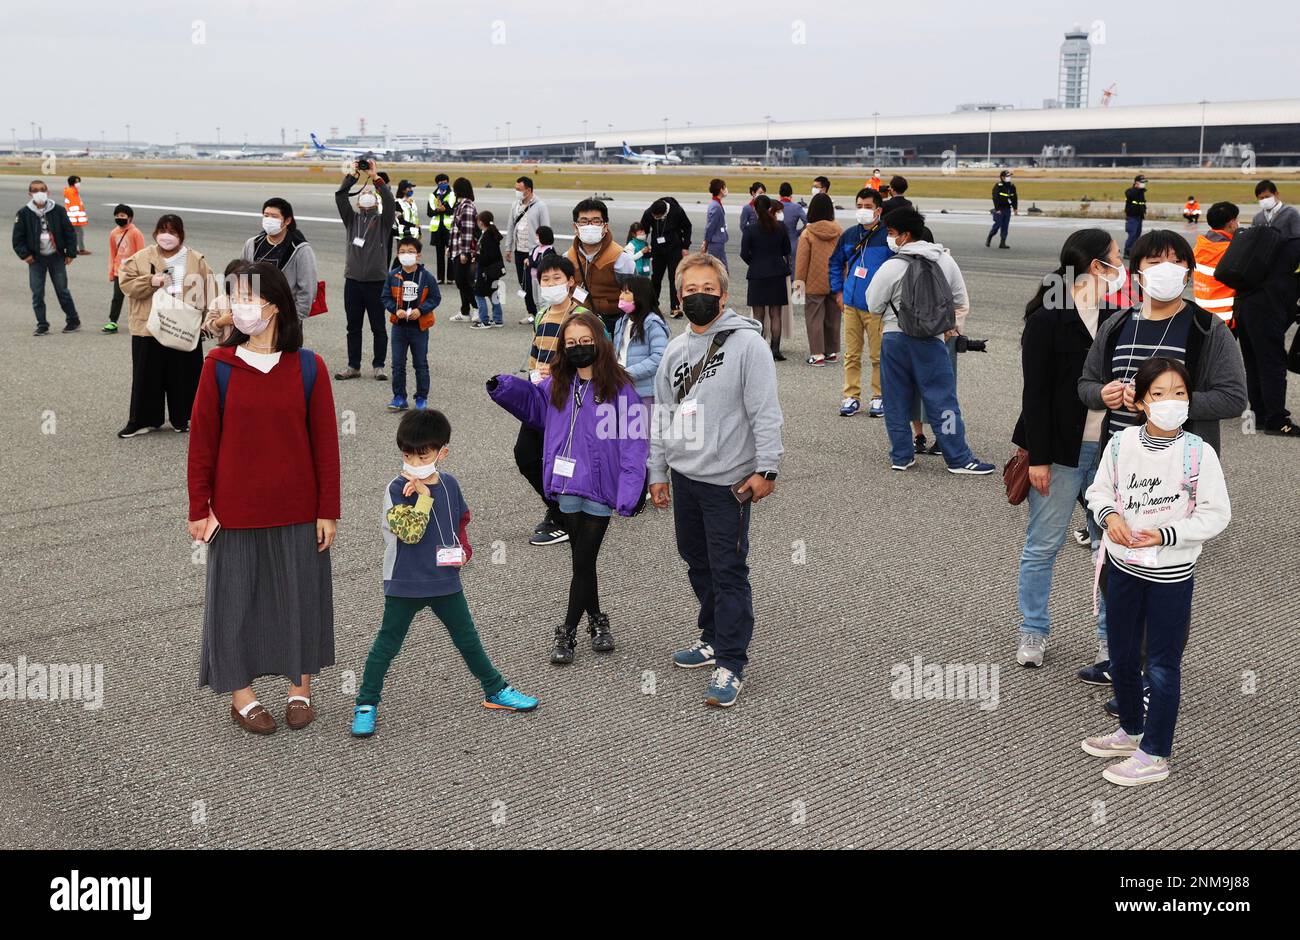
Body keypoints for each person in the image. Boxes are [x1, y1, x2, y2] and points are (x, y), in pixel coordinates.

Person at [187, 262, 339, 734]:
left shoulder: (309, 367)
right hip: (235, 513)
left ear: (274, 306)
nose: (238, 307)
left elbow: (326, 445)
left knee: (300, 599)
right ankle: (242, 696)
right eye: (234, 298)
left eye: (247, 298)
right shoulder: (219, 367)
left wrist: (328, 509)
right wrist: (199, 508)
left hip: (298, 509)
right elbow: (202, 444)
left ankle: (300, 688)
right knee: (234, 605)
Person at [1081, 357, 1230, 787]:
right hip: (1122, 567)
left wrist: (1164, 535)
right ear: (1142, 403)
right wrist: (1110, 517)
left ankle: (1156, 753)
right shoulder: (1121, 443)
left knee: (1162, 665)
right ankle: (1131, 730)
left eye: (1179, 394)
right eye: (1159, 394)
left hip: (1170, 576)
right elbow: (1099, 489)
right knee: (1123, 655)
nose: (1171, 402)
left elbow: (1216, 515)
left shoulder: (1197, 452)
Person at [350, 409, 539, 737]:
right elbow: (409, 533)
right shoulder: (397, 489)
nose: (414, 461)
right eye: (407, 454)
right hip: (405, 581)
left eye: (422, 454)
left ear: (442, 453)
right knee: (387, 644)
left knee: (467, 638)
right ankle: (366, 702)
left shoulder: (450, 483)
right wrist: (424, 499)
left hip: (445, 579)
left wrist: (464, 549)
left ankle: (495, 690)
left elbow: (460, 517)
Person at [648, 253, 783, 708]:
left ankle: (731, 659)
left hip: (729, 482)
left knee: (728, 570)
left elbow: (765, 411)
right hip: (685, 477)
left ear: (724, 295)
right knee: (696, 561)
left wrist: (767, 468)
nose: (699, 297)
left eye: (708, 290)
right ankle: (711, 636)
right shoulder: (673, 350)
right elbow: (663, 416)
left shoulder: (748, 347)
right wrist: (658, 471)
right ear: (679, 297)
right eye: (690, 291)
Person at [488, 311, 649, 664]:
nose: (579, 349)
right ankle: (597, 621)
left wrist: (631, 489)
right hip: (566, 486)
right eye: (571, 343)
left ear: (600, 343)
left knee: (582, 560)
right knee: (583, 560)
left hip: (601, 488)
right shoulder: (557, 383)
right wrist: (504, 386)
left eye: (585, 342)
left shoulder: (620, 387)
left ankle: (567, 632)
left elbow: (636, 442)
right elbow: (534, 406)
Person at [1012, 229, 1124, 670]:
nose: (1123, 266)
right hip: (1060, 451)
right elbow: (1034, 394)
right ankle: (1033, 629)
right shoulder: (1048, 317)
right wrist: (1037, 457)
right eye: (1118, 258)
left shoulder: (1120, 314)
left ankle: (1108, 639)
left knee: (1109, 548)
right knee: (1043, 545)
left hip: (1111, 452)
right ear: (1097, 266)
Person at [1079, 230, 1247, 457]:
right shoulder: (1115, 325)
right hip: (1119, 461)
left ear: (1187, 274)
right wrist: (1102, 394)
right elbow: (1086, 384)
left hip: (1182, 468)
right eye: (1156, 262)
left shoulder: (1209, 329)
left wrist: (1165, 400)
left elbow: (1234, 399)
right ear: (1137, 275)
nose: (1167, 268)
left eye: (1177, 261)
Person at [867, 208, 994, 474]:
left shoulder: (892, 265)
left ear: (905, 234)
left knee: (895, 399)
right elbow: (959, 299)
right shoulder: (945, 261)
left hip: (895, 338)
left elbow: (873, 303)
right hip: (931, 340)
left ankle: (901, 455)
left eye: (891, 233)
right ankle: (958, 457)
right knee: (943, 400)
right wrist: (947, 328)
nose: (889, 239)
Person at [116, 214, 222, 437]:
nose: (167, 236)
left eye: (173, 232)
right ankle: (144, 420)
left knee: (184, 373)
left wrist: (208, 322)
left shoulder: (196, 259)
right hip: (150, 326)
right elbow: (125, 283)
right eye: (163, 231)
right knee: (147, 374)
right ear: (155, 233)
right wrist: (150, 281)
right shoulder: (141, 258)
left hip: (184, 326)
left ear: (181, 235)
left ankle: (183, 417)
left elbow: (211, 289)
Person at [517, 254, 590, 547]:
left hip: (568, 400)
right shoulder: (542, 314)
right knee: (526, 455)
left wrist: (560, 371)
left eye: (556, 278)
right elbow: (536, 353)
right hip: (540, 396)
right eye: (545, 279)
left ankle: (564, 516)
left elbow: (594, 360)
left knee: (563, 459)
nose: (550, 284)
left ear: (571, 282)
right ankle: (560, 507)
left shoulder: (582, 317)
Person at [1235, 180, 1300, 437]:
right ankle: (1276, 420)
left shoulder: (1265, 241)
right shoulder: (1292, 245)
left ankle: (1260, 414)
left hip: (1244, 303)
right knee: (1272, 363)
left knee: (1253, 361)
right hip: (1266, 305)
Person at [828, 188, 889, 416]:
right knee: (851, 354)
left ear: (878, 210)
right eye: (860, 206)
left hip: (876, 307)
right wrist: (838, 291)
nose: (863, 210)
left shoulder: (887, 237)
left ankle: (879, 396)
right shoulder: (849, 235)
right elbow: (835, 262)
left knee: (877, 354)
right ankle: (851, 396)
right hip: (851, 304)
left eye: (868, 207)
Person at [334, 160, 395, 380]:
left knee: (378, 327)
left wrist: (375, 177)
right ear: (358, 200)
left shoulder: (383, 222)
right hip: (353, 281)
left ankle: (379, 365)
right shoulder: (351, 220)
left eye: (371, 192)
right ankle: (353, 366)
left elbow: (390, 201)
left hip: (376, 282)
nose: (367, 194)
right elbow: (340, 196)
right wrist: (353, 176)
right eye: (364, 192)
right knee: (353, 327)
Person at [12, 179, 81, 335]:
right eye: (35, 190)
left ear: (48, 192)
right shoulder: (23, 213)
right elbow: (17, 239)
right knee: (37, 293)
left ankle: (73, 320)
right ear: (30, 194)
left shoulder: (58, 211)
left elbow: (69, 232)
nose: (39, 193)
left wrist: (70, 253)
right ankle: (42, 324)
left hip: (56, 257)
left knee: (62, 290)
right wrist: (25, 255)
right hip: (36, 259)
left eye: (42, 189)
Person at [383, 236, 441, 411]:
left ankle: (421, 398)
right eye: (402, 252)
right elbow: (385, 297)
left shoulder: (426, 276)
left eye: (410, 252)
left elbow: (435, 298)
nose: (406, 255)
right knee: (397, 363)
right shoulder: (393, 275)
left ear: (418, 256)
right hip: (399, 327)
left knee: (420, 363)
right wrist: (395, 309)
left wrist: (421, 310)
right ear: (397, 255)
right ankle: (399, 397)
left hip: (419, 327)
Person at [240, 197, 319, 320]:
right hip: (253, 315)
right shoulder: (252, 244)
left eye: (274, 216)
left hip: (285, 317)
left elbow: (308, 289)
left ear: (287, 221)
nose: (269, 220)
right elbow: (242, 277)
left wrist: (295, 318)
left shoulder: (301, 249)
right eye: (266, 215)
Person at [740, 194, 792, 360]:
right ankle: (775, 350)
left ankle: (758, 349)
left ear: (754, 209)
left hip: (757, 273)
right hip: (777, 272)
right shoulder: (780, 227)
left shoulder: (750, 229)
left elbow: (743, 253)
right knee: (775, 314)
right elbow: (786, 250)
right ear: (770, 208)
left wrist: (754, 262)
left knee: (758, 315)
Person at [794, 191, 843, 366]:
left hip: (814, 282)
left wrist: (798, 287)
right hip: (835, 280)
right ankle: (831, 351)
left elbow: (801, 263)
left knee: (814, 318)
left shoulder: (807, 233)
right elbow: (844, 258)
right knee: (833, 318)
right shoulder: (839, 231)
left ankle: (817, 354)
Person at [565, 198, 623, 335]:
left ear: (605, 226)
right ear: (575, 227)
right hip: (577, 321)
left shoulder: (620, 257)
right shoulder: (567, 257)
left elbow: (634, 295)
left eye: (596, 221)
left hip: (611, 323)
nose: (590, 225)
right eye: (584, 221)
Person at [612, 275, 668, 406]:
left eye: (626, 292)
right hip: (621, 387)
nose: (621, 296)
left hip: (644, 392)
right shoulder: (622, 322)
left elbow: (659, 357)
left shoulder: (653, 323)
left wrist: (627, 373)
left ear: (640, 296)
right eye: (621, 292)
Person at [506, 176, 551, 323]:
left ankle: (542, 312)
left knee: (536, 283)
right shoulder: (515, 205)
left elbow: (545, 229)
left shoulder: (540, 206)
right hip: (520, 250)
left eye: (519, 189)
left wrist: (542, 250)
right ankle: (531, 312)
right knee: (523, 282)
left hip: (534, 251)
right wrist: (509, 247)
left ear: (528, 190)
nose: (516, 192)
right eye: (516, 189)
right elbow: (510, 226)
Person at [640, 196, 692, 318]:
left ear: (665, 213)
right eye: (654, 217)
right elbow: (643, 230)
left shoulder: (677, 211)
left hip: (674, 249)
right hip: (657, 250)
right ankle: (652, 306)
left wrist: (685, 246)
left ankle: (675, 307)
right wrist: (642, 246)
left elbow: (687, 227)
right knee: (656, 278)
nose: (655, 219)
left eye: (658, 217)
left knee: (674, 277)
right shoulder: (649, 213)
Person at [1192, 202, 1240, 330]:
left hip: (1203, 315)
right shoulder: (1231, 250)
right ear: (1231, 223)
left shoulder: (1200, 246)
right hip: (1226, 319)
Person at [102, 203, 145, 334]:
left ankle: (138, 321)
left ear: (129, 218)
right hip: (118, 271)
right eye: (117, 215)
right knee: (117, 297)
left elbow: (141, 253)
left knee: (136, 298)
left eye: (122, 215)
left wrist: (141, 272)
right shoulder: (113, 233)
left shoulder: (135, 233)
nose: (119, 217)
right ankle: (112, 321)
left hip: (133, 273)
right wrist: (111, 271)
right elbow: (112, 253)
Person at [448, 176, 479, 322]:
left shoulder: (467, 207)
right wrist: (450, 247)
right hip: (456, 249)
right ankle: (465, 311)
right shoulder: (460, 205)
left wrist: (464, 252)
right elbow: (455, 230)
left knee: (462, 281)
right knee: (462, 281)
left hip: (462, 251)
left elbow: (467, 231)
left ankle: (477, 307)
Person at [470, 210, 505, 329]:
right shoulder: (491, 234)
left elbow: (486, 257)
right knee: (493, 293)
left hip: (486, 271)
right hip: (494, 270)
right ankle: (498, 319)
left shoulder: (486, 237)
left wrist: (476, 256)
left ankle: (484, 320)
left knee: (479, 294)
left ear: (481, 222)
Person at [521, 224, 557, 324]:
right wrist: (528, 259)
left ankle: (546, 319)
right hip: (534, 278)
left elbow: (544, 264)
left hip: (543, 279)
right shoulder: (537, 248)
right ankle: (539, 318)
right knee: (536, 300)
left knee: (543, 301)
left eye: (538, 236)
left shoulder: (549, 250)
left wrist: (531, 263)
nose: (536, 238)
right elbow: (532, 258)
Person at [426, 172, 456, 284]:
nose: (443, 184)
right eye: (441, 183)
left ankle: (450, 278)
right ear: (437, 184)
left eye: (445, 182)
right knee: (439, 254)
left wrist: (445, 209)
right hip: (437, 228)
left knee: (451, 253)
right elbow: (429, 212)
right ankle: (440, 277)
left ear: (448, 182)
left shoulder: (453, 194)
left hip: (449, 227)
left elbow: (453, 210)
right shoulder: (433, 196)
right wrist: (437, 210)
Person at [777, 182, 807, 278]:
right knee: (793, 271)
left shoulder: (775, 206)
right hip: (792, 241)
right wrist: (798, 232)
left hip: (777, 242)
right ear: (791, 195)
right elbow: (807, 222)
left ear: (780, 194)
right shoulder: (797, 207)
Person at [392, 179, 422, 266]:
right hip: (403, 233)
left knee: (411, 255)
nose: (411, 190)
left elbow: (415, 218)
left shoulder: (412, 202)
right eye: (409, 188)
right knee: (402, 256)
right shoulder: (397, 203)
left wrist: (418, 231)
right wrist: (414, 226)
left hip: (413, 233)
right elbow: (400, 220)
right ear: (403, 190)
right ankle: (393, 274)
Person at [986, 169, 1018, 249]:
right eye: (1007, 176)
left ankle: (1002, 243)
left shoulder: (1012, 186)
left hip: (1007, 209)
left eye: (1010, 176)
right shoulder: (998, 186)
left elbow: (1014, 197)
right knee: (997, 225)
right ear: (1003, 177)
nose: (1009, 178)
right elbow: (995, 198)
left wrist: (1015, 208)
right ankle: (989, 238)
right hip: (999, 209)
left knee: (1005, 226)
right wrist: (997, 209)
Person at [703, 179, 729, 268]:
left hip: (718, 241)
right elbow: (710, 226)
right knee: (718, 268)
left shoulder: (716, 203)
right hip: (716, 242)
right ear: (721, 189)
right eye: (725, 187)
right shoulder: (715, 206)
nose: (726, 189)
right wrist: (705, 243)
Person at [63, 175, 89, 255]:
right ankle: (80, 249)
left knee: (75, 233)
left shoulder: (72, 191)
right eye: (77, 182)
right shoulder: (72, 192)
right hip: (74, 217)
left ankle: (75, 248)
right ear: (73, 183)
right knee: (79, 233)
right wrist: (77, 218)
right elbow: (74, 206)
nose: (79, 183)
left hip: (73, 217)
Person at [1122, 174, 1148, 259]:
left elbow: (1142, 203)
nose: (1144, 184)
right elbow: (1130, 195)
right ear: (1136, 183)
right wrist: (1137, 189)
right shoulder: (1130, 191)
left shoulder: (1141, 192)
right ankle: (1127, 252)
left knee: (1137, 235)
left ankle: (1134, 251)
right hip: (1132, 217)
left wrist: (1144, 211)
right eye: (1142, 182)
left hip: (1139, 216)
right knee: (1132, 234)